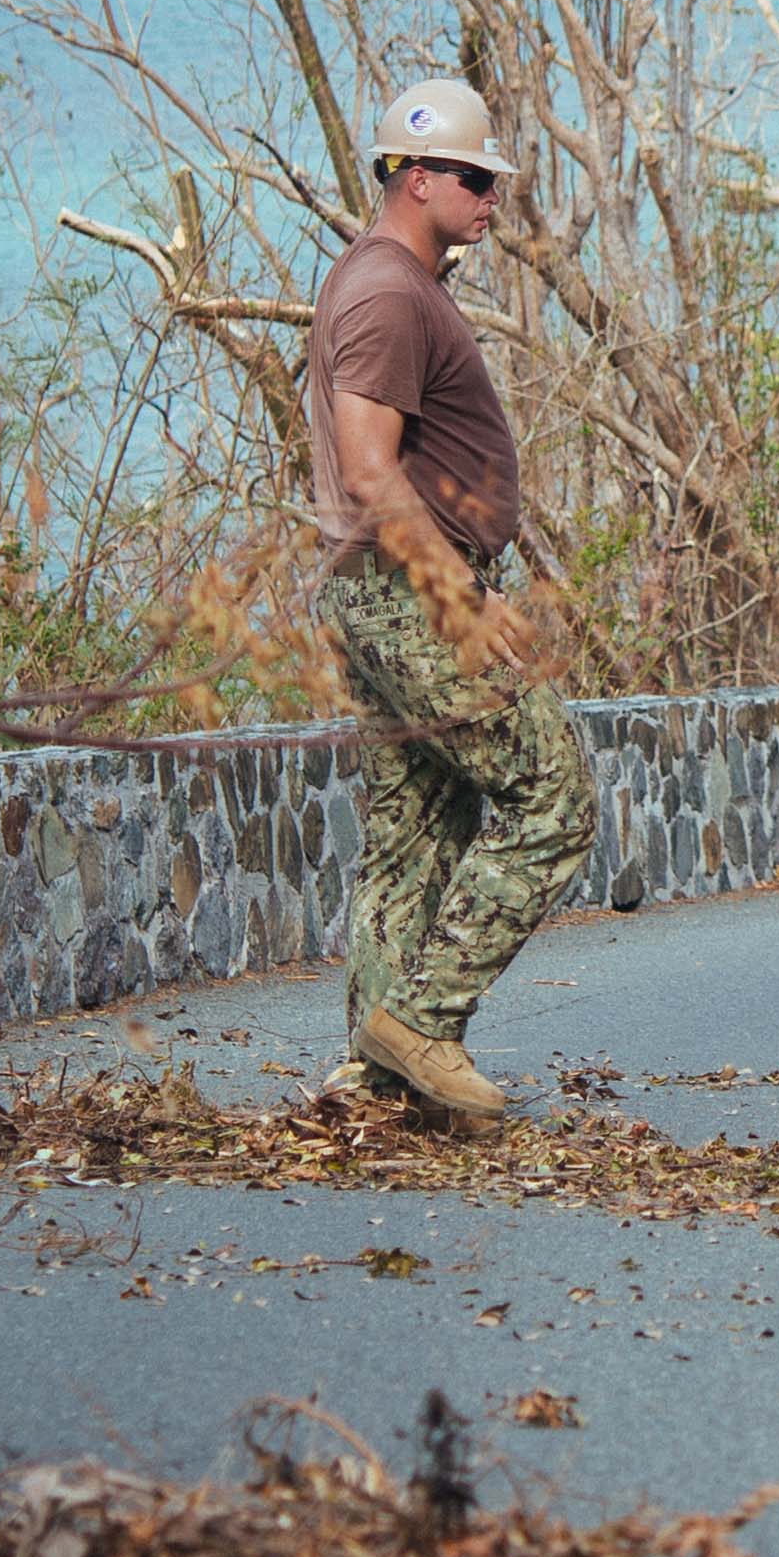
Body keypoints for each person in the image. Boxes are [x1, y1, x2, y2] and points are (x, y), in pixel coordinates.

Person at [306, 79, 588, 1122]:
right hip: (409, 591)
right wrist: (460, 597)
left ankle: (372, 1083)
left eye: (492, 179)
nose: (490, 197)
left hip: (380, 589)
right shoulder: (386, 292)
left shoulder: (394, 282)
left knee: (414, 834)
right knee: (554, 798)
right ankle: (419, 1023)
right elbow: (368, 468)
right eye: (473, 178)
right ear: (416, 177)